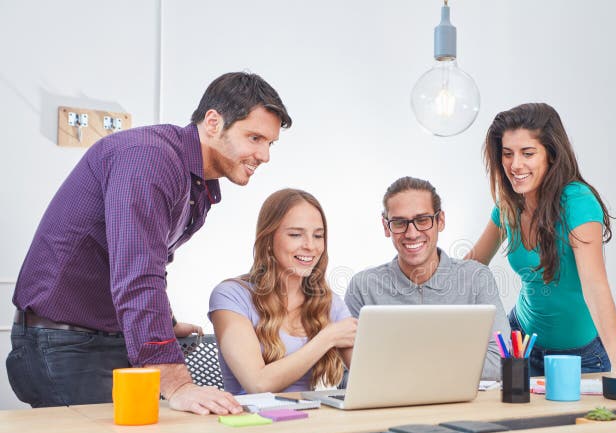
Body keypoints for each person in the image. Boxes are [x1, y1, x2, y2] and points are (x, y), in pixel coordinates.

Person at [8, 72, 293, 414]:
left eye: (270, 143)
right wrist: (176, 383)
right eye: (255, 138)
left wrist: (167, 325)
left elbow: (146, 258)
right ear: (214, 123)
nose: (264, 155)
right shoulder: (149, 159)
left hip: (100, 338)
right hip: (65, 344)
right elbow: (137, 271)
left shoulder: (196, 183)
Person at [467, 103, 616, 391]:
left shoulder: (577, 202)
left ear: (551, 153)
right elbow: (470, 267)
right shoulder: (508, 206)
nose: (515, 165)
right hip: (520, 347)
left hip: (579, 357)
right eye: (507, 154)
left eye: (528, 153)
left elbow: (595, 286)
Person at [345, 177, 509, 380]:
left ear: (440, 221)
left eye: (422, 220)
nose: (412, 233)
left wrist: (400, 370)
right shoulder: (363, 287)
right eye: (399, 222)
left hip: (461, 409)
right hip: (391, 409)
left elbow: (502, 360)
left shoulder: (476, 278)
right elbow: (347, 375)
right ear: (386, 227)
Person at [209, 189, 357, 394]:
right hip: (255, 422)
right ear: (268, 240)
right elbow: (258, 384)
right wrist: (327, 338)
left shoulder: (329, 303)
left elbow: (369, 376)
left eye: (318, 236)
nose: (310, 246)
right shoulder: (230, 296)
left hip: (311, 421)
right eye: (296, 235)